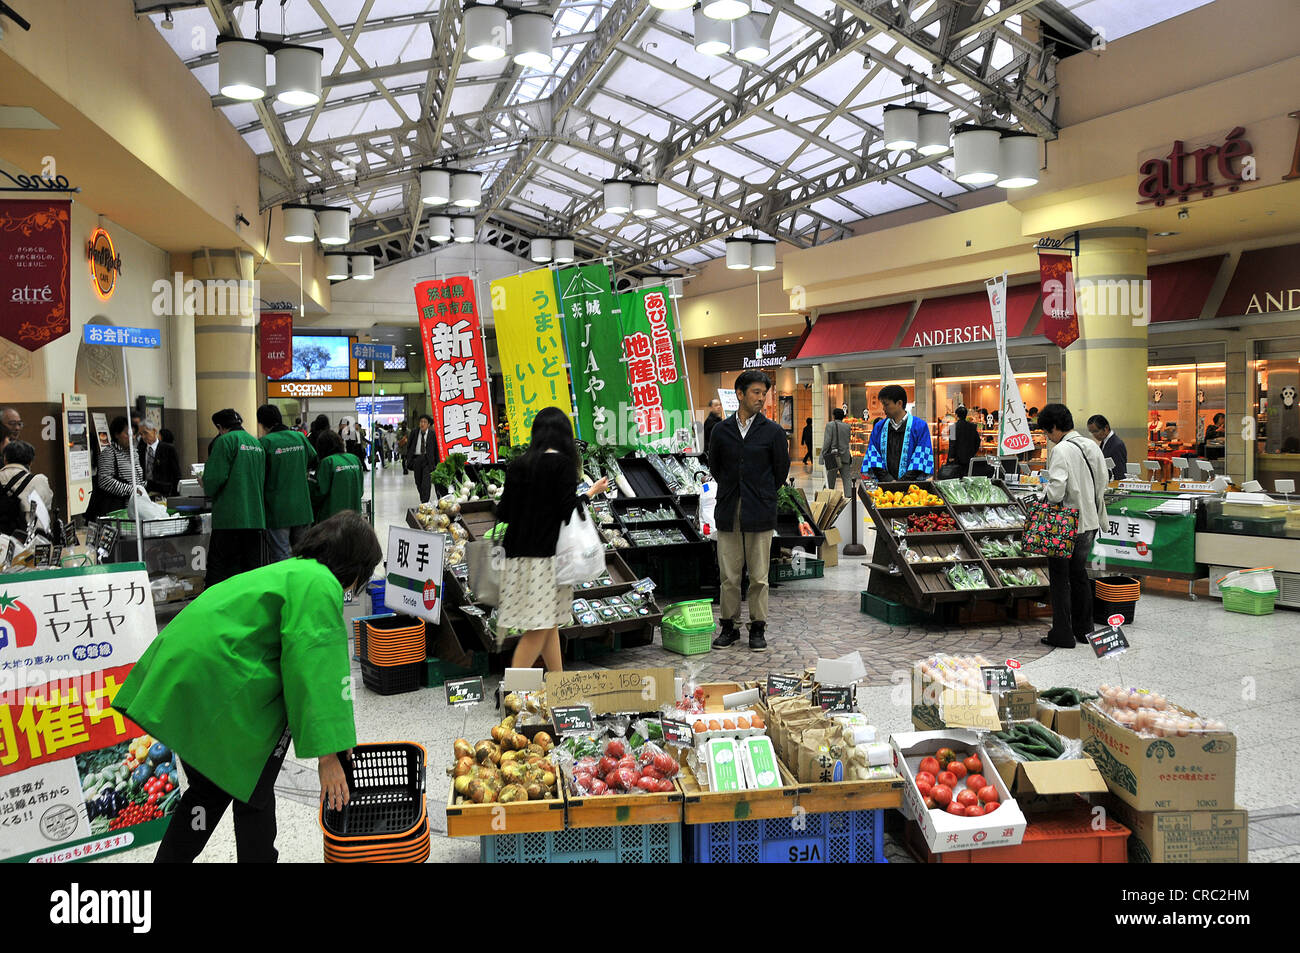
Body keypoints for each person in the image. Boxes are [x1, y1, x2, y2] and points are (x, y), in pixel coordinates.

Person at [112, 510, 381, 863]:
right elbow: (315, 669)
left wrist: (336, 742)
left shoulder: (293, 570)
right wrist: (328, 755)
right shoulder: (319, 584)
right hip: (215, 679)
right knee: (247, 788)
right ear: (356, 568)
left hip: (189, 668)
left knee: (218, 790)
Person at [497, 407, 609, 673]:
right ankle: (512, 691)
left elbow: (503, 512)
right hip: (546, 559)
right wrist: (590, 493)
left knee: (549, 623)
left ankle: (559, 684)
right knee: (541, 627)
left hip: (516, 557)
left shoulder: (519, 465)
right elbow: (566, 511)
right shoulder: (562, 466)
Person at [709, 370, 790, 652]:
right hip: (729, 508)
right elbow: (715, 467)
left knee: (758, 576)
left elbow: (781, 471)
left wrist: (761, 492)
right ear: (740, 394)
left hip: (760, 509)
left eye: (763, 393)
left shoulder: (773, 432)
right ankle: (728, 626)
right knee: (729, 574)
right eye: (756, 392)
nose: (761, 398)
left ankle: (758, 627)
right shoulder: (721, 431)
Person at [1036, 404, 1107, 649]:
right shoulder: (1092, 446)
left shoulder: (1061, 450)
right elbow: (1103, 481)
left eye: (1047, 432)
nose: (1048, 437)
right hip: (1090, 522)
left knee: (1059, 578)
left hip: (1066, 523)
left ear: (1054, 428)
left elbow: (1056, 491)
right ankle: (1085, 629)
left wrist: (1042, 496)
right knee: (1079, 575)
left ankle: (1063, 633)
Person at [201, 409, 267, 587]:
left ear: (220, 427)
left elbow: (214, 479)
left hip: (230, 517)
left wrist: (204, 482)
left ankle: (215, 607)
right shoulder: (256, 443)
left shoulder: (224, 441)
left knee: (221, 568)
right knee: (250, 568)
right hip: (255, 516)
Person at [257, 404, 317, 563]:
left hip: (278, 510)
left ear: (262, 424)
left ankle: (286, 588)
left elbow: (259, 475)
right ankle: (303, 586)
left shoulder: (265, 443)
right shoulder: (299, 437)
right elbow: (313, 458)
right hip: (302, 508)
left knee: (282, 556)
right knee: (303, 555)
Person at [864, 385, 933, 483]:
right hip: (884, 487)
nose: (883, 408)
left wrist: (902, 482)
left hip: (912, 488)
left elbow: (920, 458)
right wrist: (889, 480)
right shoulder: (879, 427)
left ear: (899, 403)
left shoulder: (920, 427)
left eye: (886, 404)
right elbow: (873, 456)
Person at [87, 416, 143, 518]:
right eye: (128, 434)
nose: (132, 437)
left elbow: (136, 477)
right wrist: (131, 490)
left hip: (135, 508)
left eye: (134, 434)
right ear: (117, 434)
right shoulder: (109, 453)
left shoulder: (134, 453)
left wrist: (142, 487)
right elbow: (105, 480)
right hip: (117, 510)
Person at [0, 440, 53, 539]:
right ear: (30, 462)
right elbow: (47, 506)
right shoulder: (39, 481)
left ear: (5, 459)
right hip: (28, 540)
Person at [311, 430, 364, 521]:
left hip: (332, 520)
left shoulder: (328, 462)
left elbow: (319, 493)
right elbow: (361, 491)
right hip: (354, 517)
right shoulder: (355, 459)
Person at [139, 421, 181, 497]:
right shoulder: (140, 450)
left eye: (145, 433)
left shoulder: (168, 449)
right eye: (141, 434)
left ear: (154, 431)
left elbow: (176, 474)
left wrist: (174, 494)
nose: (143, 437)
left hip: (164, 492)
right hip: (145, 492)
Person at [405, 414, 439, 504]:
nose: (422, 424)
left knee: (426, 483)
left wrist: (437, 463)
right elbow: (409, 446)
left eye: (424, 422)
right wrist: (409, 459)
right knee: (418, 482)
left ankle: (425, 502)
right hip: (417, 460)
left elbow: (436, 450)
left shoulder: (432, 434)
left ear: (428, 425)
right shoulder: (414, 432)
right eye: (421, 422)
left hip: (428, 461)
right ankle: (423, 499)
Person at [1086, 414, 1128, 482]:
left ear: (1106, 428)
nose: (1094, 435)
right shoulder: (1104, 441)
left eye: (1096, 431)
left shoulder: (1117, 445)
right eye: (1091, 432)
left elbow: (1120, 473)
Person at [822, 408, 855, 491]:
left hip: (834, 457)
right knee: (847, 479)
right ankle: (849, 498)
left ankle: (829, 497)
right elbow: (847, 440)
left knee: (830, 481)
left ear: (833, 416)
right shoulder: (847, 426)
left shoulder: (830, 425)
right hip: (845, 456)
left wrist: (822, 455)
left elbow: (827, 442)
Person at [947, 406, 981, 474]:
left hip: (957, 458)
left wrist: (950, 457)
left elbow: (952, 444)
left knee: (958, 476)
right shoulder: (972, 426)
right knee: (968, 474)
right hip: (969, 456)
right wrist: (973, 451)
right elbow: (978, 440)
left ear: (956, 415)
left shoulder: (953, 427)